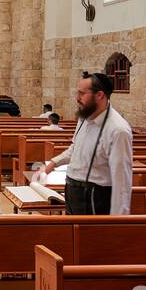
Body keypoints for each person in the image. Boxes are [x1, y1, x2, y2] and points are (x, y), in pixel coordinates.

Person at [41, 72, 133, 215]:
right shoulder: (84, 117)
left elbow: (122, 182)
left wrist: (117, 222)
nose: (77, 98)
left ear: (100, 95)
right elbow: (75, 148)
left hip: (94, 197)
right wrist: (53, 163)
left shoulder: (117, 130)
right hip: (73, 192)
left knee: (92, 238)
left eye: (82, 93)